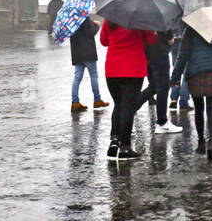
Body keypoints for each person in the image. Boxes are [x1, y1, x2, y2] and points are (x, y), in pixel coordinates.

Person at [170, 25, 212, 159]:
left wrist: (175, 77)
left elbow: (183, 56)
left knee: (199, 108)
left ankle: (201, 142)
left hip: (195, 73)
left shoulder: (190, 30)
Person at [99, 18, 156, 161]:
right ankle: (125, 148)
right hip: (133, 69)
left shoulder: (110, 18)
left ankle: (114, 141)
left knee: (118, 105)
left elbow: (103, 41)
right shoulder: (140, 20)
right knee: (127, 108)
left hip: (112, 69)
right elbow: (151, 40)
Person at [137, 29, 179, 133]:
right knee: (162, 88)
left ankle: (129, 109)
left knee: (154, 86)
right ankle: (162, 122)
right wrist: (170, 38)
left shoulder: (142, 18)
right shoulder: (160, 17)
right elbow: (170, 38)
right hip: (160, 54)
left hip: (147, 54)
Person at [69, 17, 109, 112]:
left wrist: (91, 22)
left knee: (77, 78)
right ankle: (97, 100)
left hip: (76, 53)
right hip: (88, 52)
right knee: (93, 75)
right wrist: (97, 25)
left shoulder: (70, 19)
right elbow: (90, 33)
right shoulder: (83, 17)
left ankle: (75, 102)